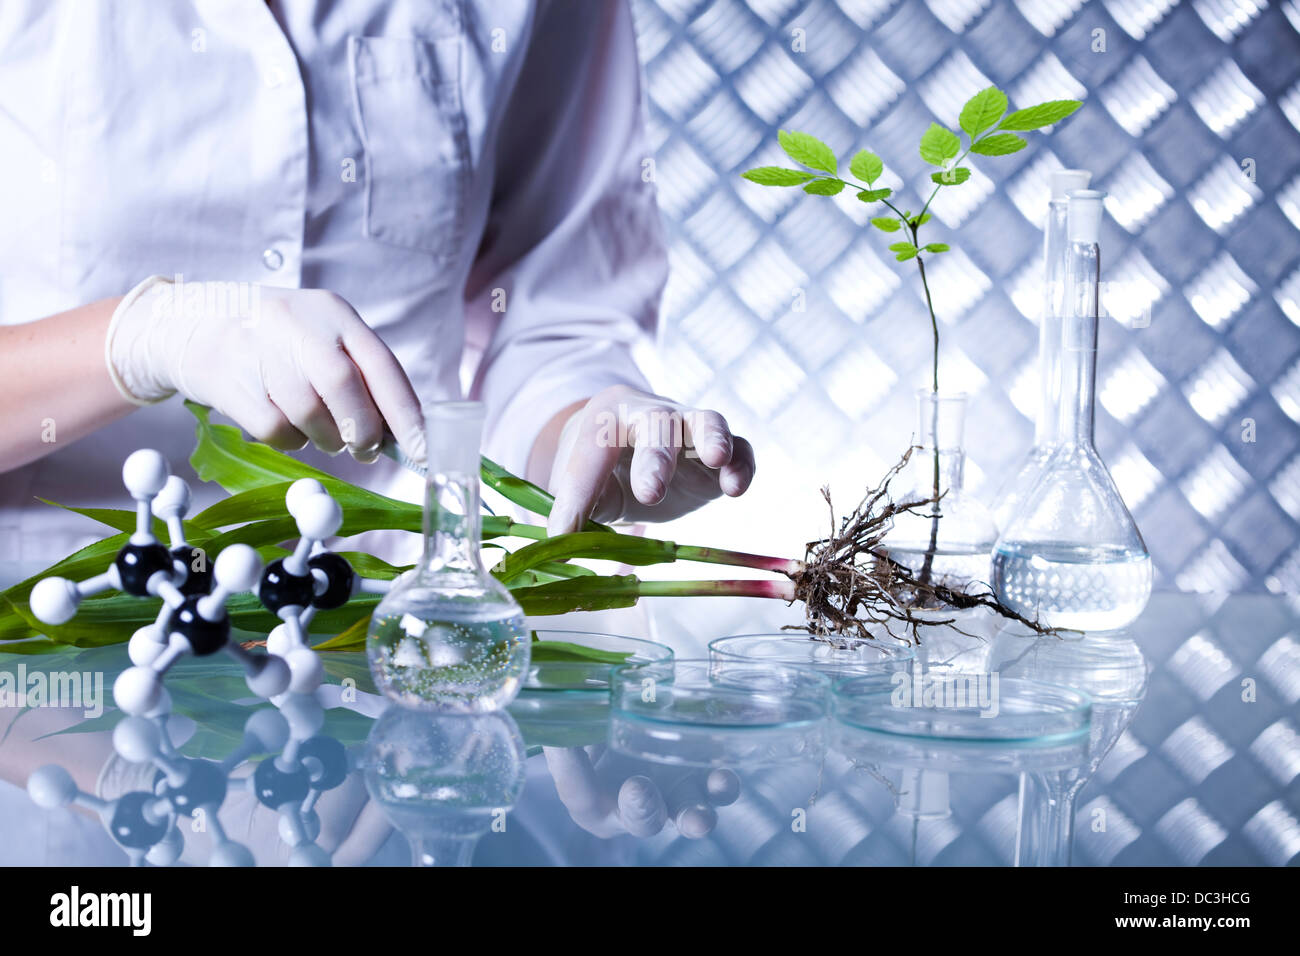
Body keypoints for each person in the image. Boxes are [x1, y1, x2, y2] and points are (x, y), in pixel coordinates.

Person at [0, 0, 754, 577]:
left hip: (381, 631)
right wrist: (141, 339)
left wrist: (593, 435)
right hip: (54, 632)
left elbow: (553, 311)